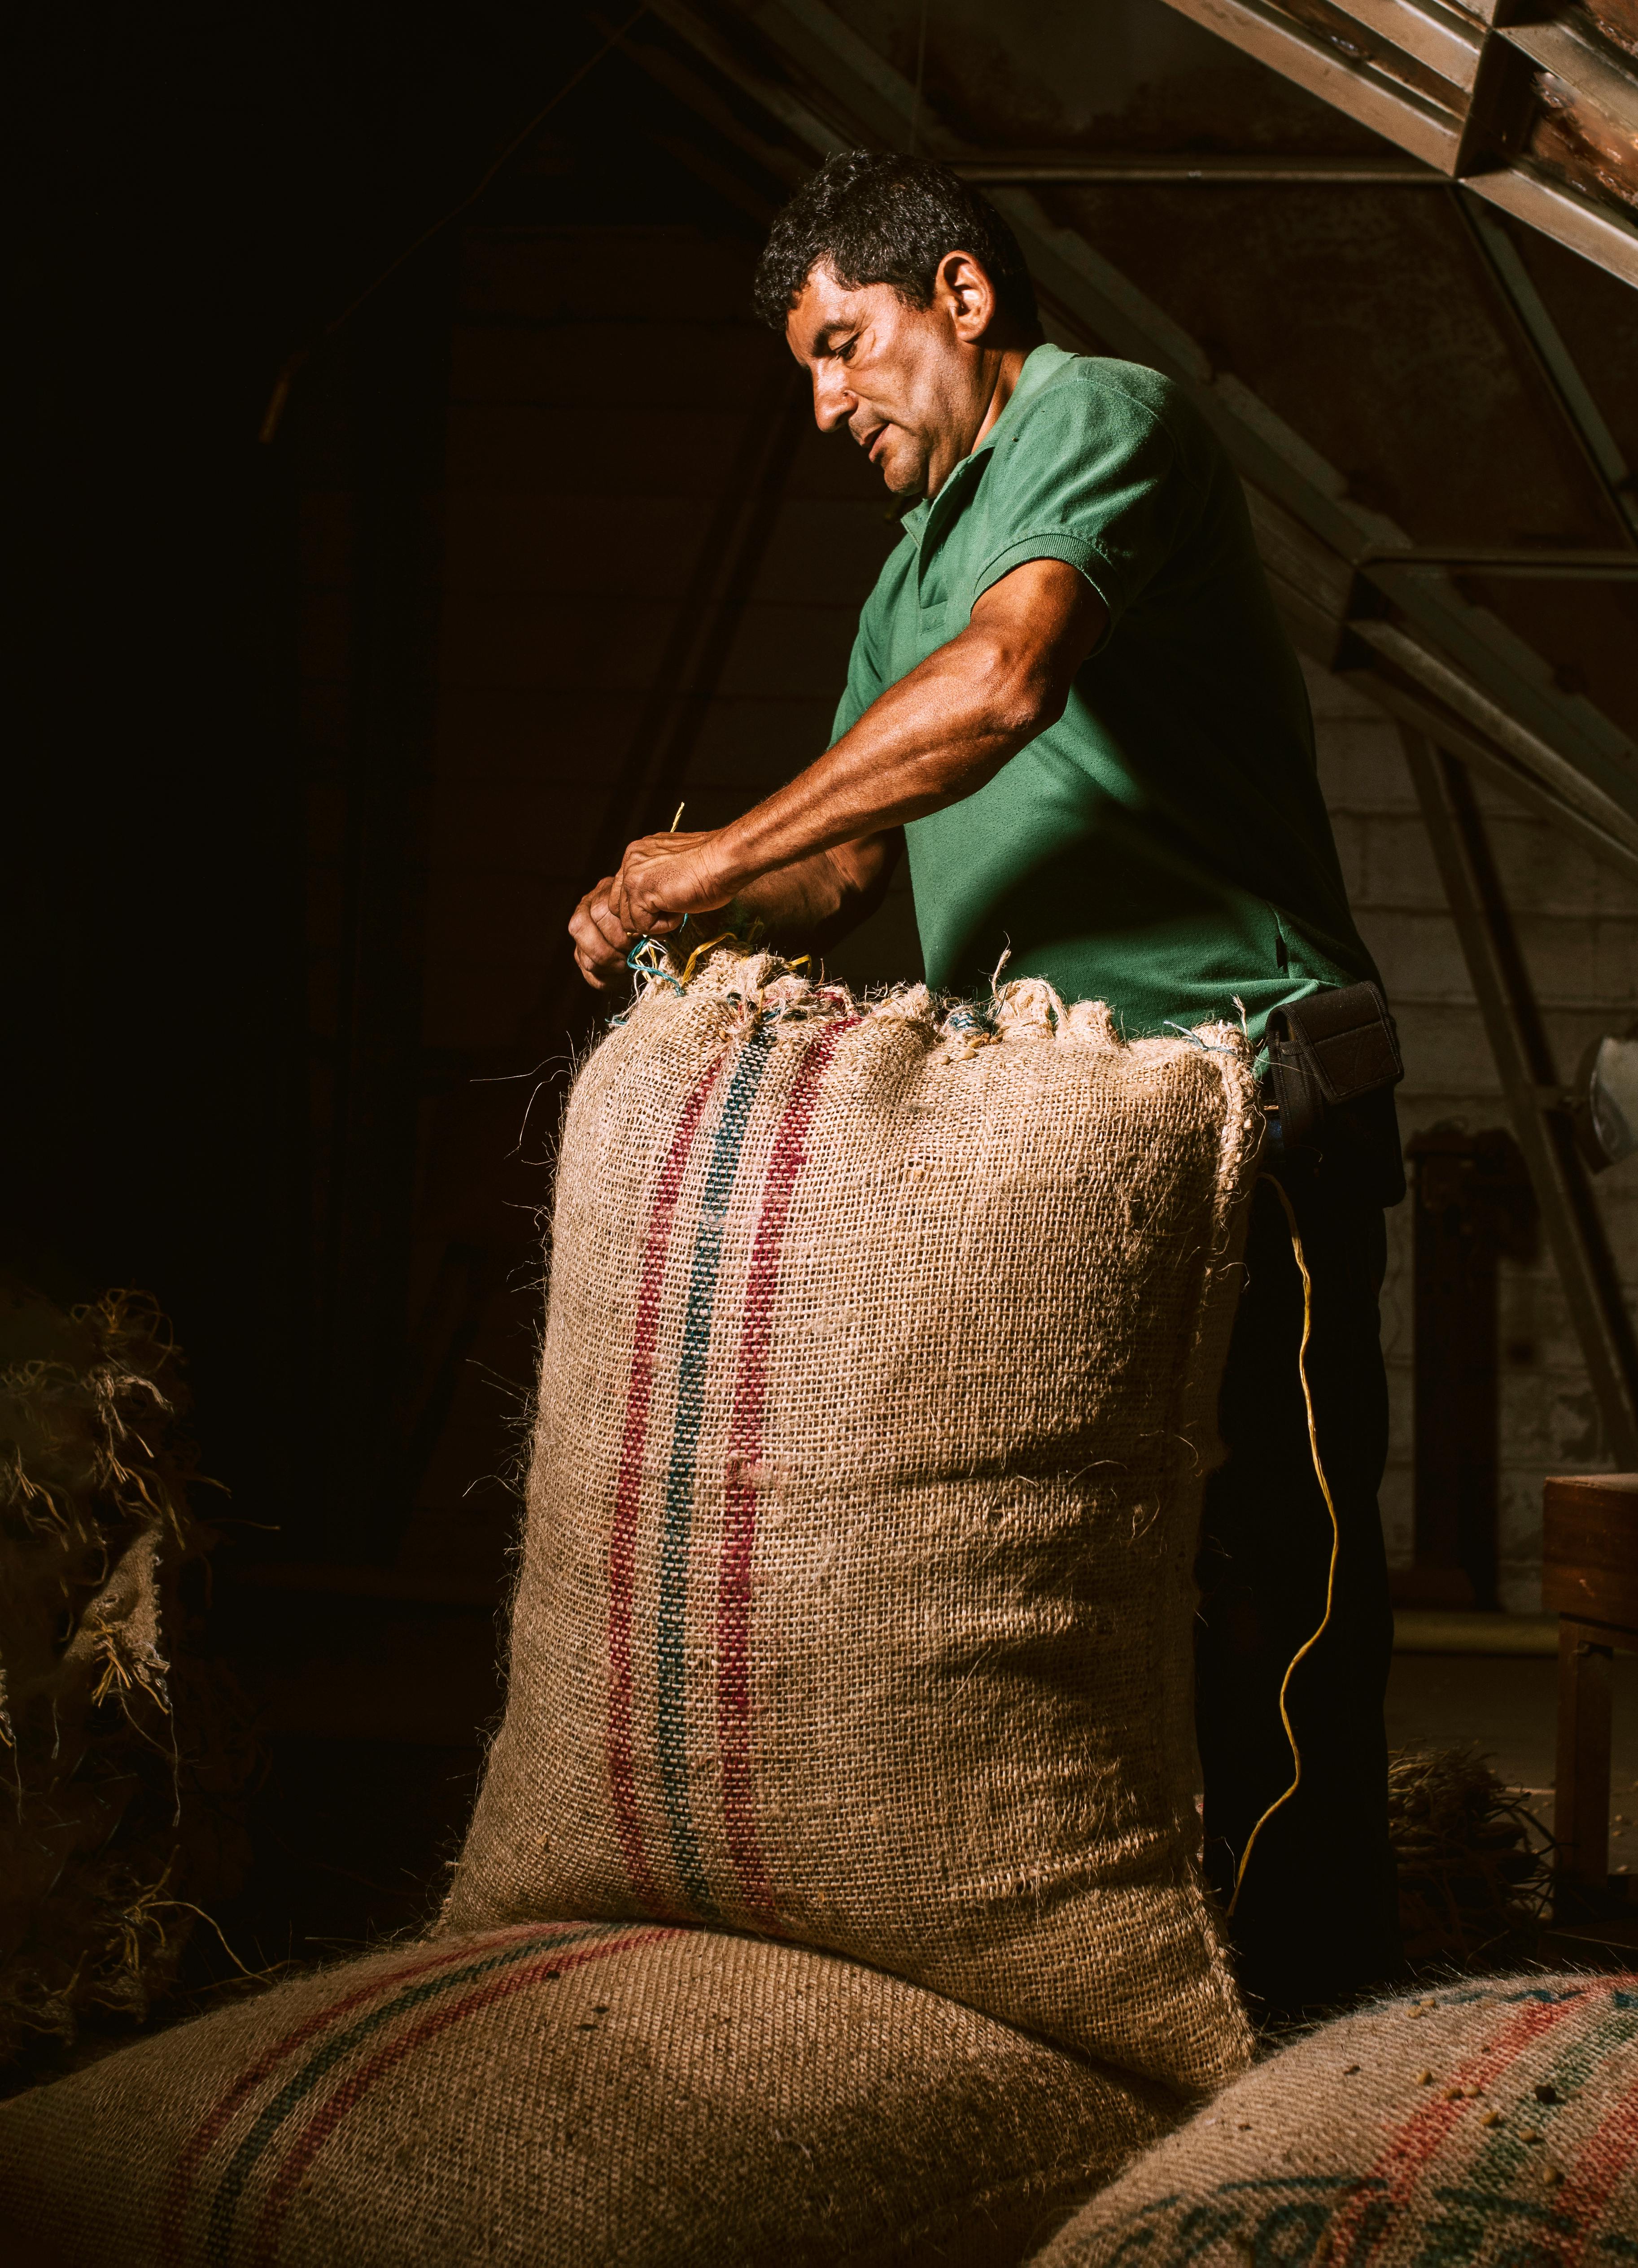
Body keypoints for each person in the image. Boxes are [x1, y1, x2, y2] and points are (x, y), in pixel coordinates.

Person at [568, 152, 1403, 2020]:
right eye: (800, 370)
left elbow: (1008, 687)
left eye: (842, 345)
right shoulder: (903, 577)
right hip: (1055, 1142)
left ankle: (1305, 2010)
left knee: (1272, 1576)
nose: (824, 403)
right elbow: (847, 867)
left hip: (1249, 1098)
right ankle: (1126, 1981)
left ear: (957, 298)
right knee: (1081, 1572)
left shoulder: (1100, 414)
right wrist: (672, 892)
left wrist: (722, 861)